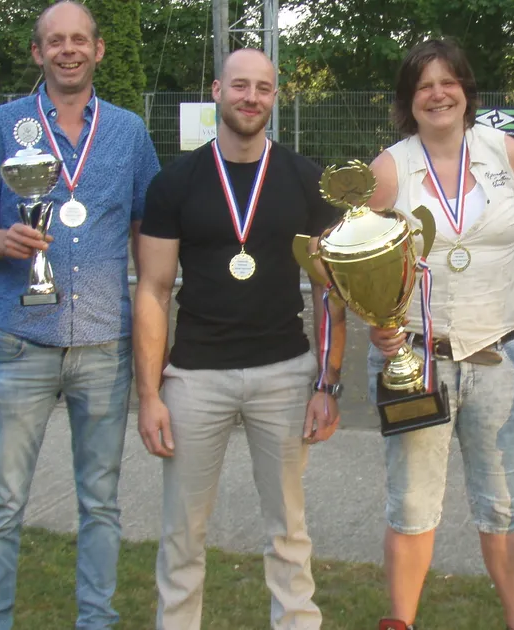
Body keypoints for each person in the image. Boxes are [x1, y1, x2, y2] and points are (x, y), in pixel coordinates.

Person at [0, 1, 161, 628]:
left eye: (79, 40)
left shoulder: (127, 131)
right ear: (37, 53)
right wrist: (2, 241)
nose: (68, 50)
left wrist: (158, 331)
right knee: (4, 499)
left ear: (98, 51)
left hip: (104, 345)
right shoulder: (3, 125)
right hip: (24, 341)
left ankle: (96, 619)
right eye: (54, 41)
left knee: (101, 502)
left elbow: (147, 239)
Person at [134, 48, 347, 630]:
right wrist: (149, 394)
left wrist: (328, 381)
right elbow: (152, 291)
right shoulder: (175, 182)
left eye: (264, 88)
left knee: (289, 531)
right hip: (194, 378)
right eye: (240, 86)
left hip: (284, 374)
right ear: (217, 90)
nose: (251, 97)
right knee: (182, 534)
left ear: (275, 97)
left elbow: (331, 290)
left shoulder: (306, 177)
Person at [365, 39, 514, 630]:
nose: (437, 94)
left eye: (448, 82)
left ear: (467, 92)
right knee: (413, 506)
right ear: (408, 99)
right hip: (419, 362)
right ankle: (401, 621)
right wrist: (381, 325)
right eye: (424, 85)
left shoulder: (509, 154)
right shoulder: (389, 168)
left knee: (504, 506)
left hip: (503, 353)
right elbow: (363, 262)